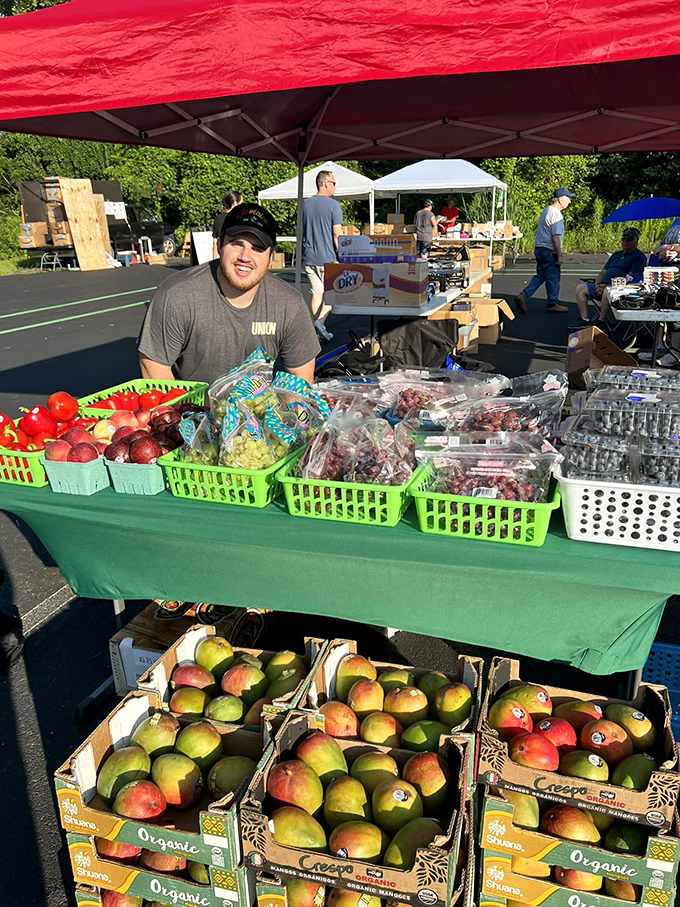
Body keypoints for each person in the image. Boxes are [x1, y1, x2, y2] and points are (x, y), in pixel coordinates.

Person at [138, 203, 320, 385]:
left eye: (257, 248)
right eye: (236, 243)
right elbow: (155, 369)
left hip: (258, 411)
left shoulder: (289, 304)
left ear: (271, 258)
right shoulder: (176, 295)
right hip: (192, 410)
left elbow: (302, 381)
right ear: (219, 246)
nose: (245, 256)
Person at [567, 227, 647, 331]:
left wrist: (608, 285)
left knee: (607, 291)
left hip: (620, 290)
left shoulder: (638, 257)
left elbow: (630, 279)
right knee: (580, 288)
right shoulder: (616, 254)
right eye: (623, 239)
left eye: (629, 239)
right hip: (602, 286)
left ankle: (601, 322)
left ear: (636, 241)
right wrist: (597, 284)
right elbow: (603, 272)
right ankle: (584, 319)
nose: (625, 242)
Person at [514, 188, 573, 314]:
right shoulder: (557, 215)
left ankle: (524, 296)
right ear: (560, 199)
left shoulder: (546, 210)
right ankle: (553, 303)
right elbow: (555, 237)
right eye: (567, 198)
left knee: (541, 275)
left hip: (539, 248)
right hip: (549, 250)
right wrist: (560, 255)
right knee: (553, 277)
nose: (569, 201)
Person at [302, 169, 343, 342]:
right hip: (328, 258)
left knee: (316, 294)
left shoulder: (305, 205)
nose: (335, 187)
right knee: (334, 294)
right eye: (334, 183)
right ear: (325, 183)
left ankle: (317, 330)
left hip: (310, 257)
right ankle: (320, 322)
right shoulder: (334, 205)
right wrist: (342, 255)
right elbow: (337, 234)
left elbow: (303, 232)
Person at [212, 191, 243, 259]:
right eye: (241, 203)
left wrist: (213, 260)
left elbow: (215, 242)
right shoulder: (238, 218)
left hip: (222, 255)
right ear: (235, 203)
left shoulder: (218, 219)